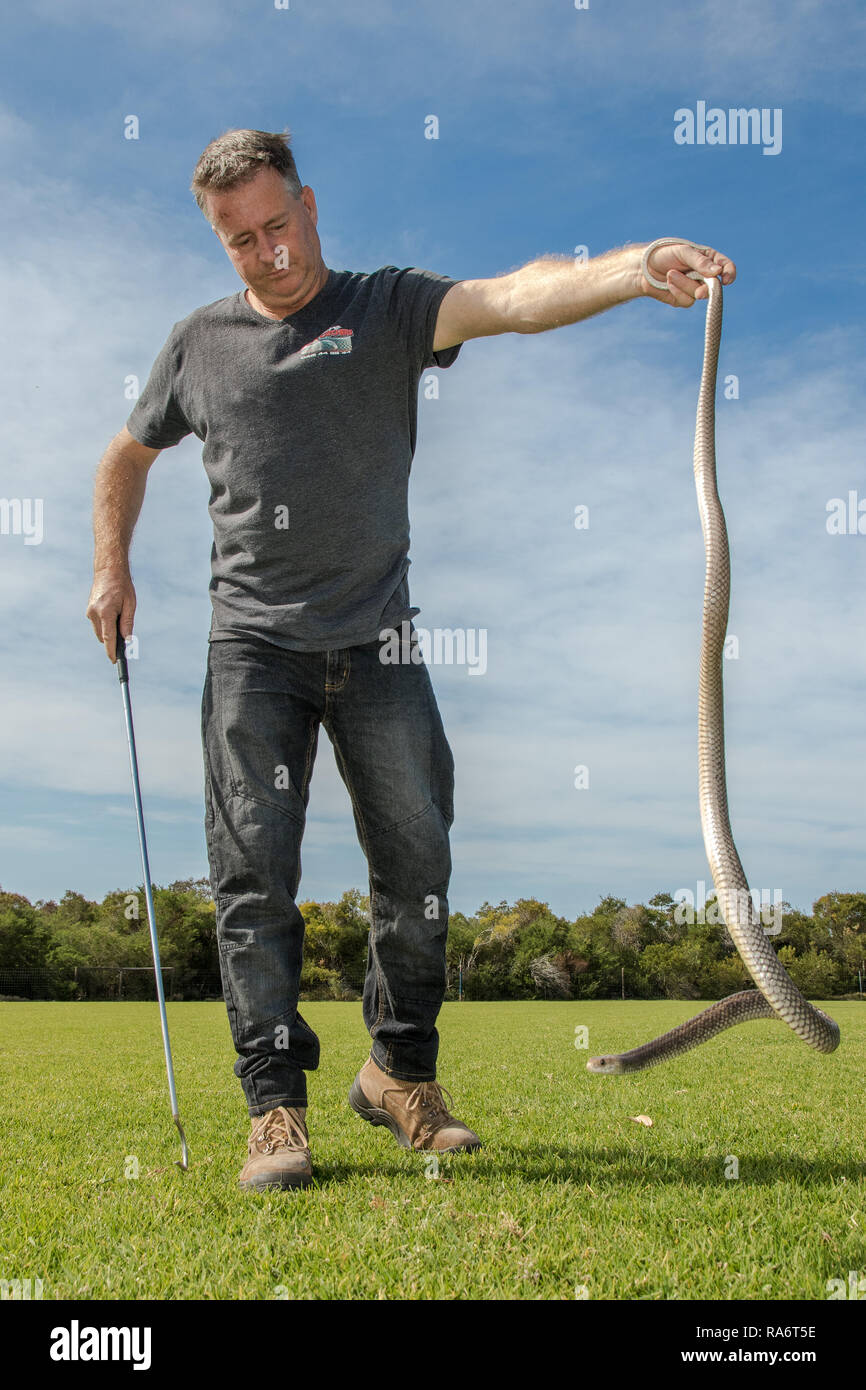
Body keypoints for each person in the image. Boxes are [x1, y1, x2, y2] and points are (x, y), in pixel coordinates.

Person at [86, 127, 736, 1191]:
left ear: (308, 202)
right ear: (220, 241)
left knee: (418, 861)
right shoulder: (195, 343)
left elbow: (513, 294)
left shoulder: (383, 307)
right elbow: (126, 450)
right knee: (253, 877)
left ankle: (396, 1074)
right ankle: (275, 1110)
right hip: (250, 643)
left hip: (376, 636)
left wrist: (630, 267)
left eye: (280, 225)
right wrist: (110, 567)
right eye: (241, 241)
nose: (271, 254)